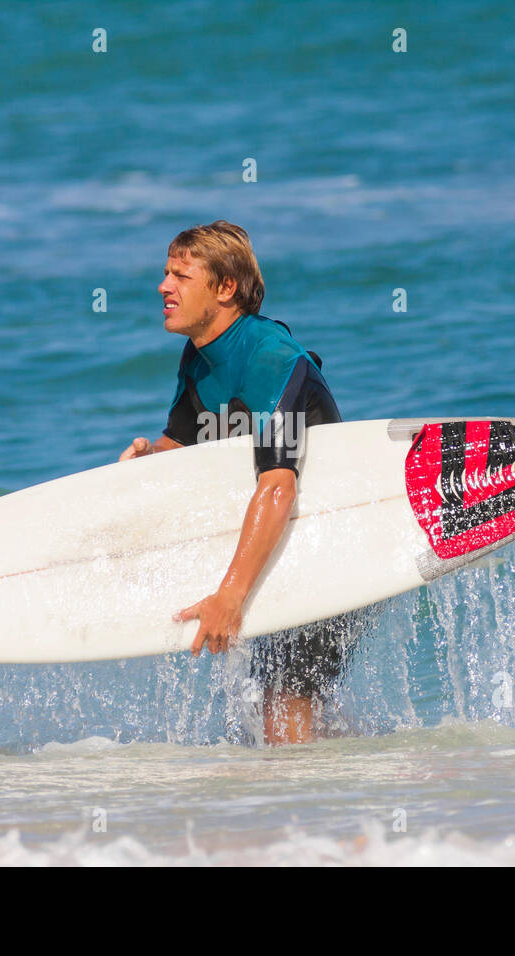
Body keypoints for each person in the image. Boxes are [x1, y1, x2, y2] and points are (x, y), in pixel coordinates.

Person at [118, 220, 356, 745]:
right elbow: (184, 445)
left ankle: (315, 820)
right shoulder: (200, 357)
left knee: (281, 712)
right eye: (165, 273)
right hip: (279, 549)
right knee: (277, 716)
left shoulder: (270, 357)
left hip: (334, 547)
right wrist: (147, 460)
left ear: (225, 288)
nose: (163, 286)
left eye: (180, 275)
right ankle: (375, 782)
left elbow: (279, 485)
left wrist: (229, 595)